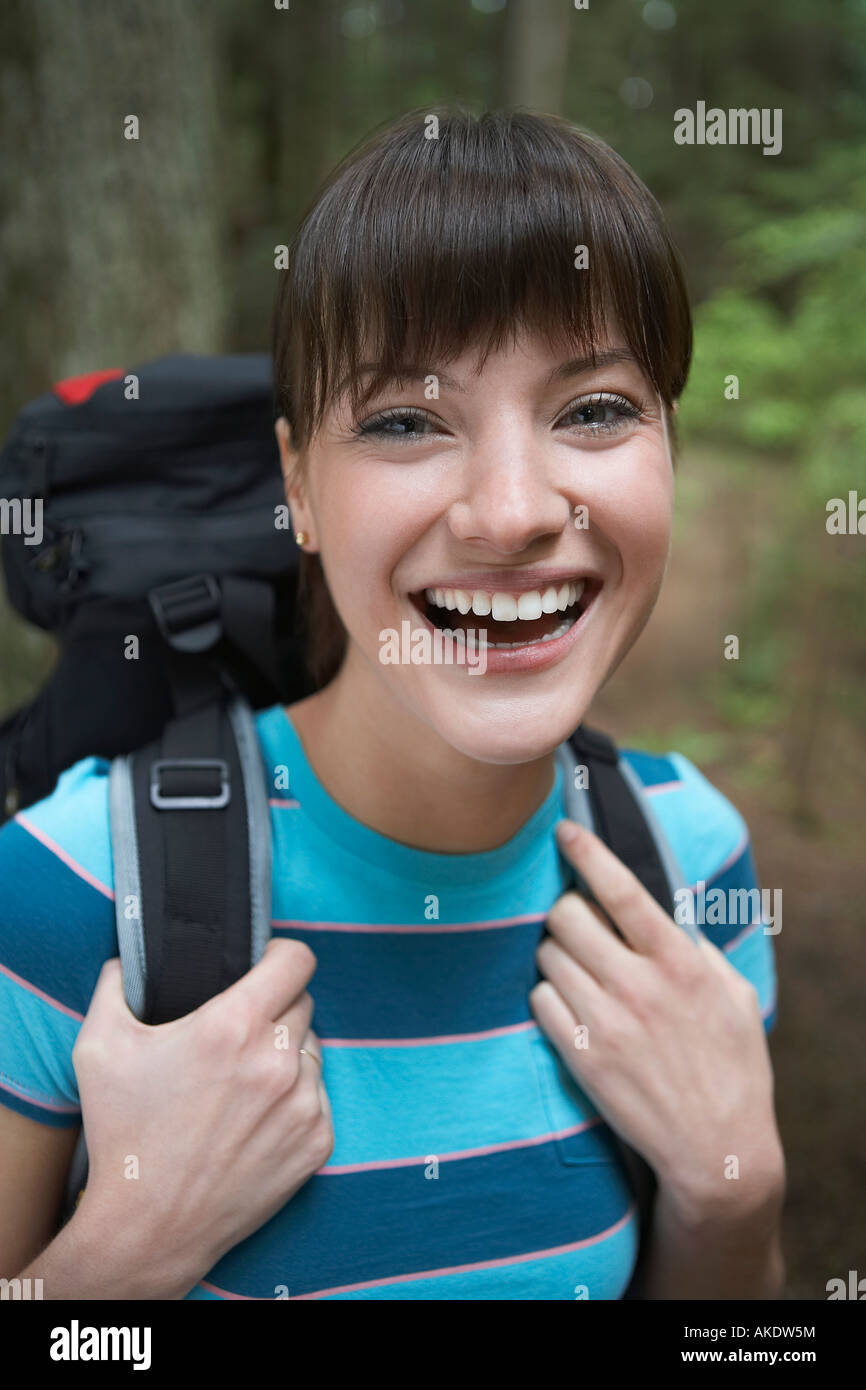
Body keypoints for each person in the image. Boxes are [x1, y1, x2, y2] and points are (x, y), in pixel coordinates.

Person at [0, 107, 784, 1300]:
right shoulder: (69, 890)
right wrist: (131, 1244)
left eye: (593, 409)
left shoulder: (689, 871)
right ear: (298, 489)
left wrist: (733, 1197)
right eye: (405, 421)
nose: (511, 510)